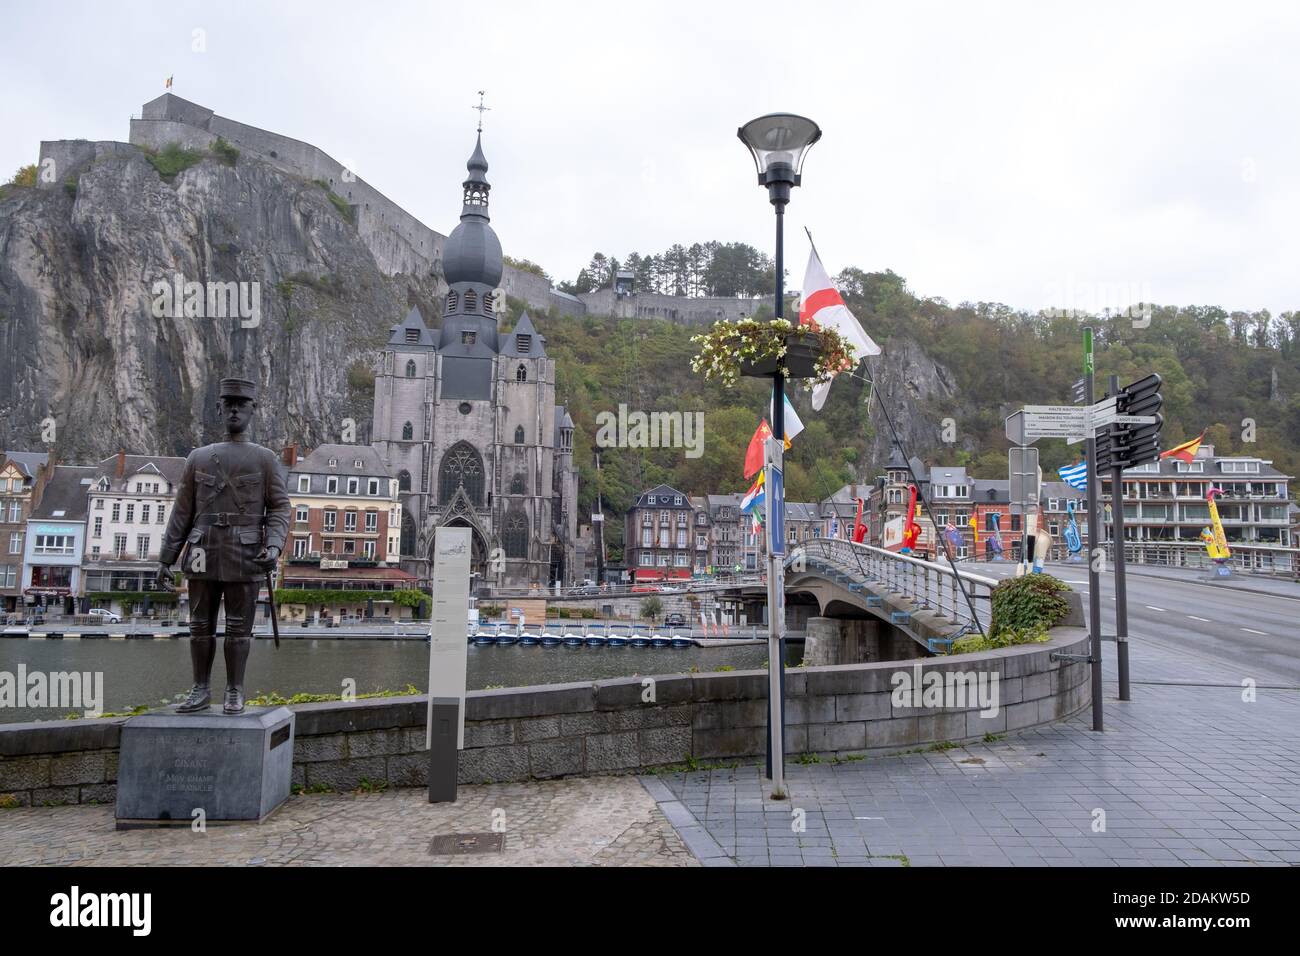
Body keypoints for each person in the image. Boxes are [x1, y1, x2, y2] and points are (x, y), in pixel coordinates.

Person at [156, 377, 291, 714]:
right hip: (201, 550)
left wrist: (273, 547)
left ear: (252, 410)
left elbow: (279, 508)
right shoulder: (197, 458)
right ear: (219, 409)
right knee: (199, 625)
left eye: (240, 405)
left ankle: (234, 690)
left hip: (245, 552)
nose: (234, 410)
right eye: (228, 404)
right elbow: (181, 512)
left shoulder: (266, 459)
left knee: (237, 628)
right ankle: (200, 689)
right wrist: (166, 559)